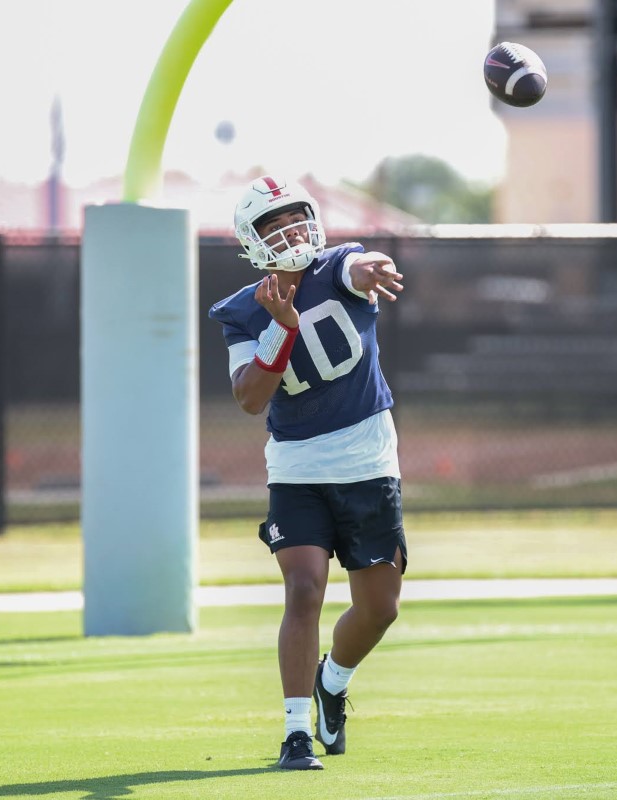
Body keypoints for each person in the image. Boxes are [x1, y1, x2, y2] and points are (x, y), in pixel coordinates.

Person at [208, 175, 408, 770]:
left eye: (296, 218)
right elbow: (249, 398)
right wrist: (281, 323)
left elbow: (359, 265)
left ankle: (333, 681)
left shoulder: (338, 263)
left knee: (380, 608)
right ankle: (295, 733)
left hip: (368, 459)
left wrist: (374, 268)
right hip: (297, 465)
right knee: (304, 589)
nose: (290, 231)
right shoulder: (244, 312)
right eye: (274, 225)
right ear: (253, 242)